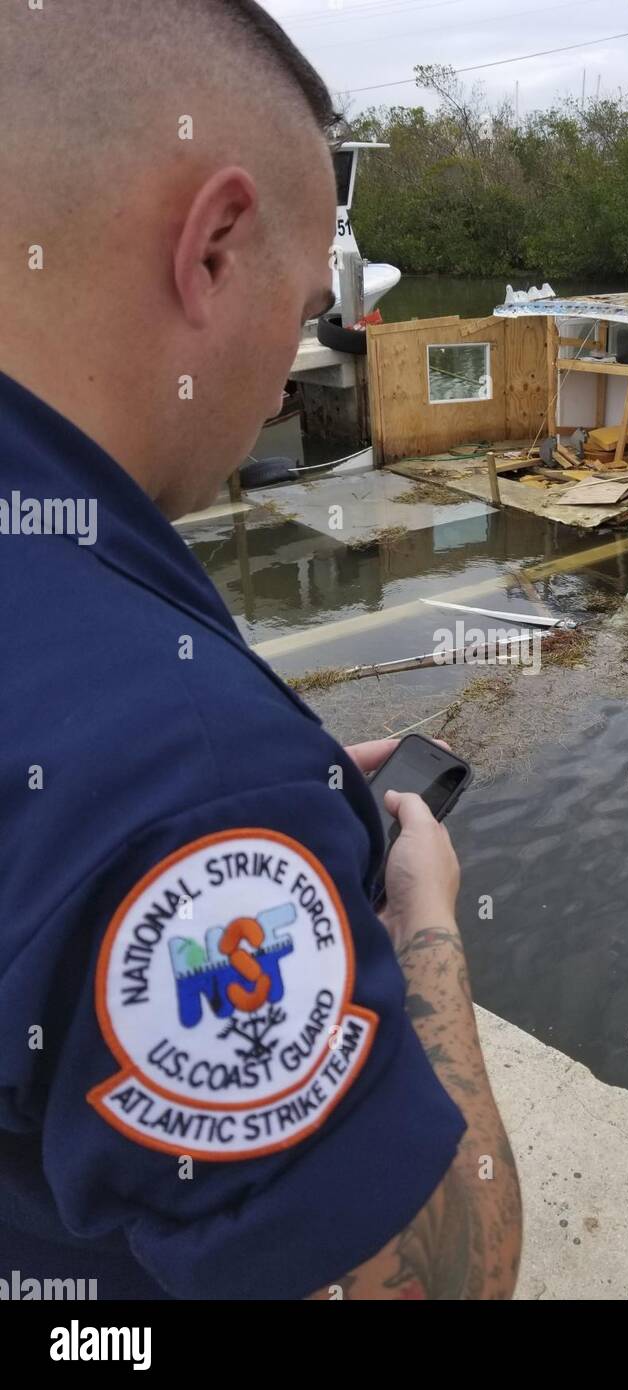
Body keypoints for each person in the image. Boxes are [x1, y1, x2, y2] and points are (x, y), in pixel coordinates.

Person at [0, 0, 521, 1300]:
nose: (291, 383)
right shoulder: (189, 774)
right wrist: (419, 923)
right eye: (297, 316)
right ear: (214, 247)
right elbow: (441, 1275)